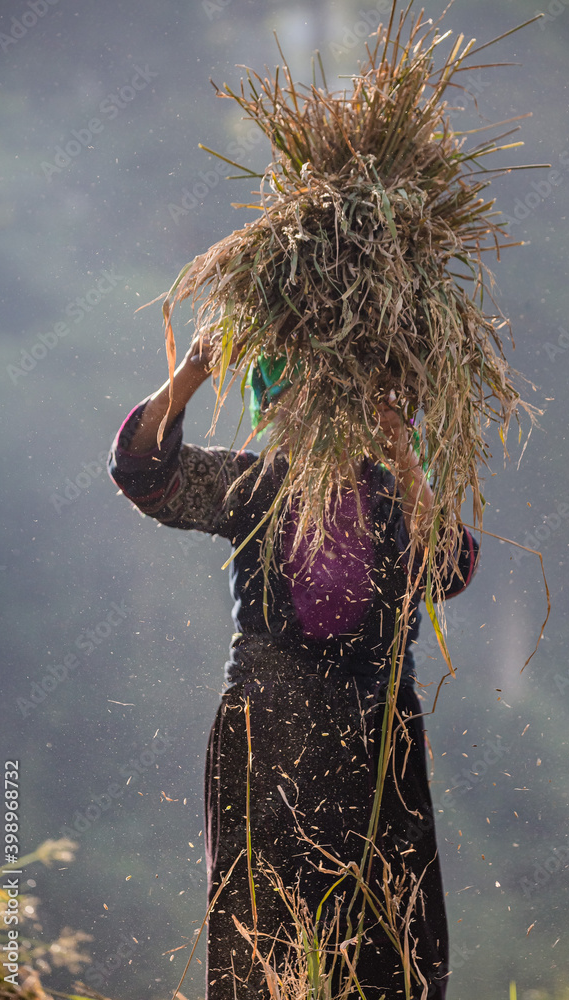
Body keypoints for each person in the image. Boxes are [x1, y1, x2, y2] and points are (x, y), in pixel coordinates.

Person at [108, 334, 479, 999]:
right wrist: (191, 373)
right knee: (258, 932)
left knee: (393, 939)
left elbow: (450, 568)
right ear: (276, 411)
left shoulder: (397, 495)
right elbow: (141, 470)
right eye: (299, 404)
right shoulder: (252, 484)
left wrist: (401, 450)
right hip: (271, 723)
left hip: (377, 727)